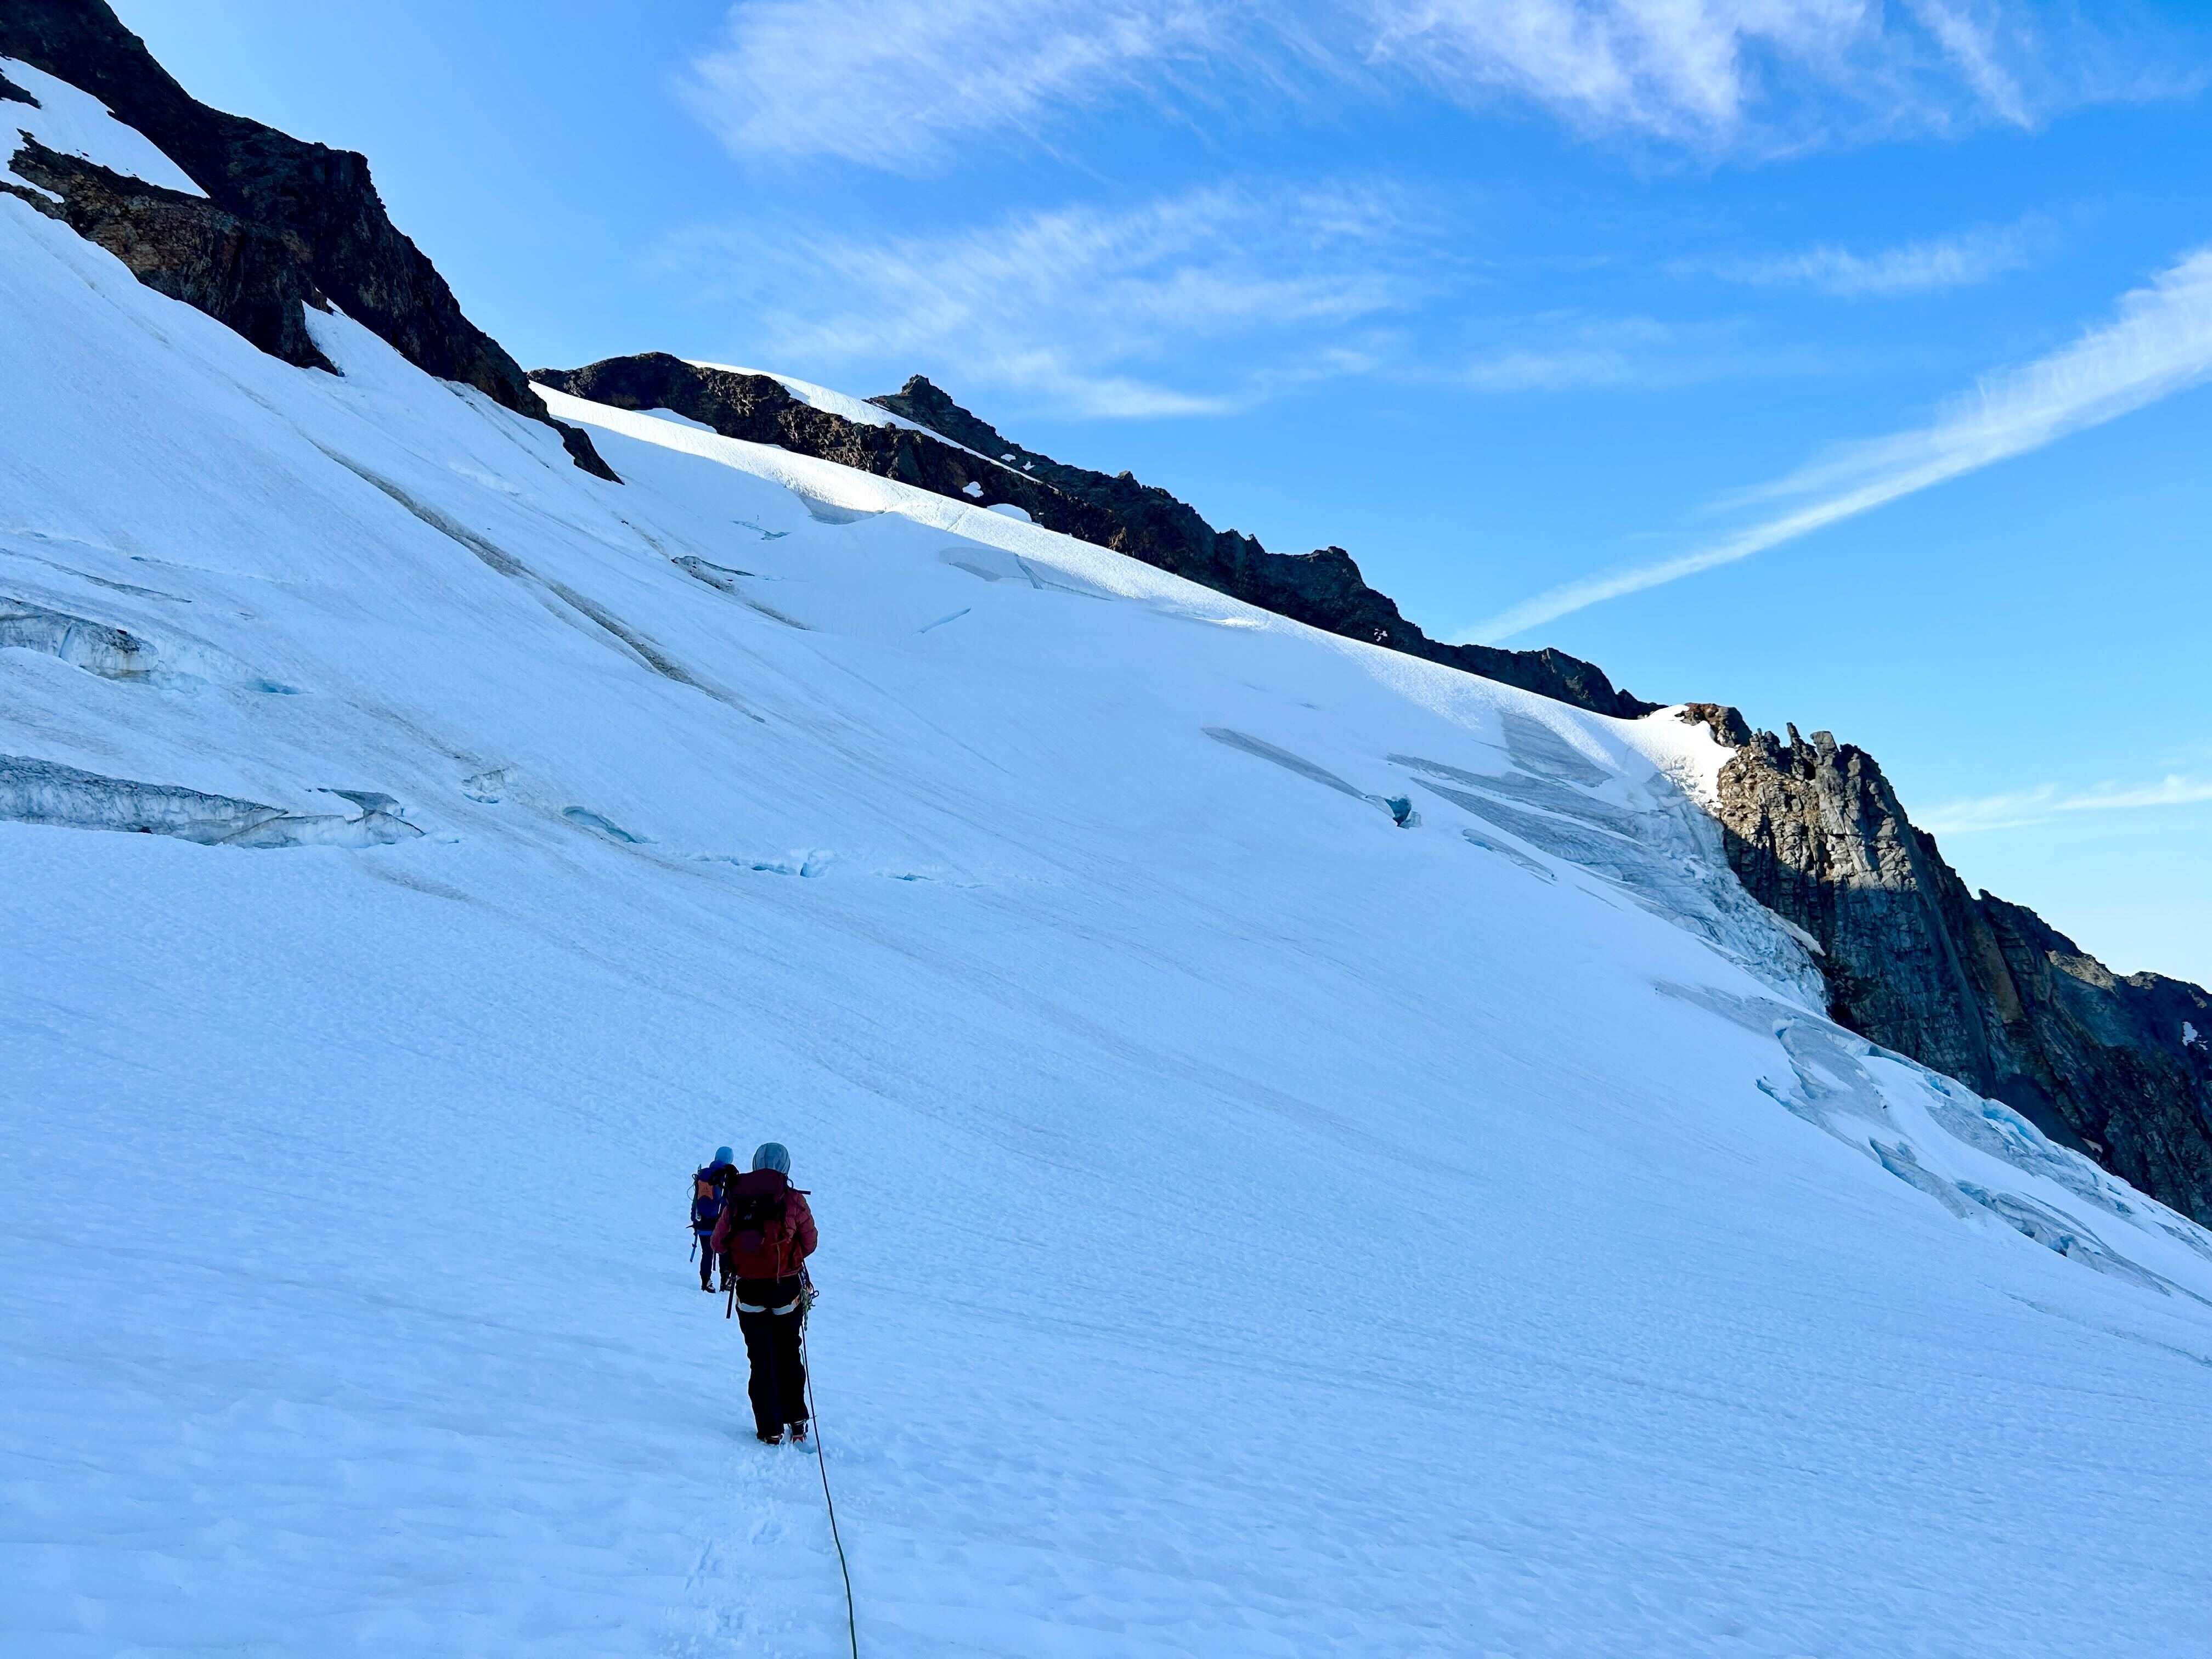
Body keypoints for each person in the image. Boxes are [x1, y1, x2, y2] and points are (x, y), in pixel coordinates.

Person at [712, 1141, 819, 1444]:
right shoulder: (793, 1200)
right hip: (785, 1288)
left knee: (760, 1359)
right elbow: (810, 1243)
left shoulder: (737, 1196)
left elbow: (719, 1243)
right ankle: (797, 1423)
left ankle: (770, 1429)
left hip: (748, 1290)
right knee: (788, 1352)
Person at [691, 1147, 737, 1291]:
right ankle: (725, 1282)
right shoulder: (727, 1176)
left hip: (702, 1223)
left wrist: (695, 1220)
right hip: (720, 1224)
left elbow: (695, 1201)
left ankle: (706, 1282)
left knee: (707, 1253)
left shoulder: (703, 1175)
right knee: (724, 1251)